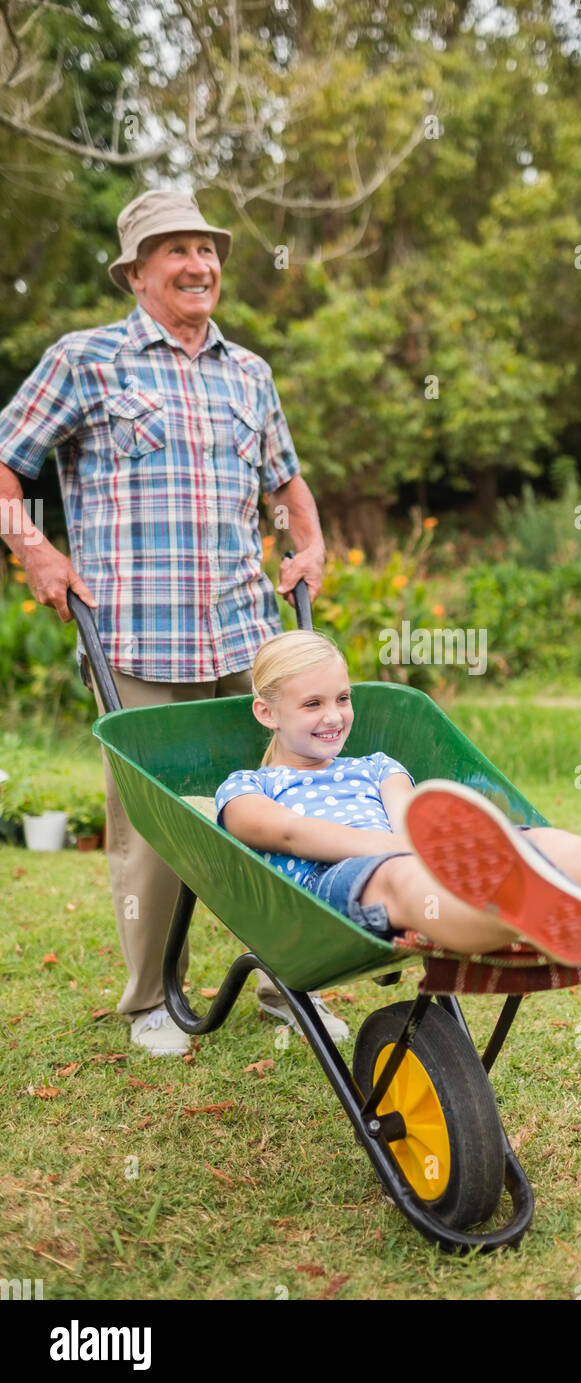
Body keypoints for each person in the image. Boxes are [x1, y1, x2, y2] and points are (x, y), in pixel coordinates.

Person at [0, 189, 345, 1055]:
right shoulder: (88, 360)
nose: (200, 265)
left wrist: (308, 543)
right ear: (136, 271)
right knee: (152, 830)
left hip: (245, 636)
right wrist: (37, 553)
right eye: (176, 251)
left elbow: (287, 483)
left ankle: (286, 982)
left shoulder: (249, 374)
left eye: (209, 249)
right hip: (136, 637)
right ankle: (152, 1000)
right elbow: (6, 468)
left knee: (282, 803)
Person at [215, 629, 581, 967]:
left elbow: (405, 808)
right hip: (343, 887)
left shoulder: (376, 765)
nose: (335, 716)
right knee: (400, 877)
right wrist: (407, 849)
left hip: (428, 857)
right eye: (312, 704)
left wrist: (438, 844)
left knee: (546, 843)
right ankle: (519, 901)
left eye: (342, 698)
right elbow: (288, 835)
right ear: (266, 712)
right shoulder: (249, 786)